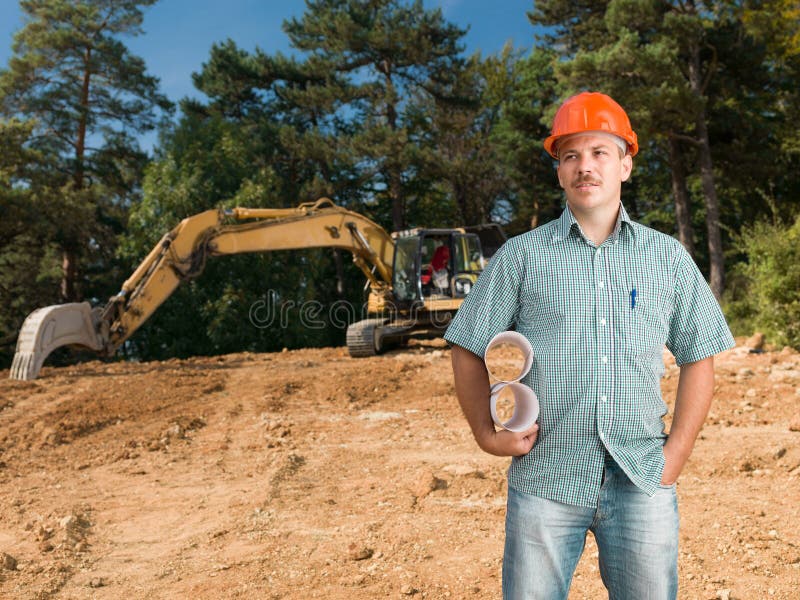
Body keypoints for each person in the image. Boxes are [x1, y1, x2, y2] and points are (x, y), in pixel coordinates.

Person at [444, 91, 735, 599]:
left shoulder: (665, 258)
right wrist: (486, 434)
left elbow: (700, 355)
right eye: (571, 155)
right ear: (558, 171)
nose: (585, 166)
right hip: (547, 477)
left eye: (600, 152)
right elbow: (467, 343)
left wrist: (677, 455)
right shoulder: (522, 257)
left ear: (625, 163)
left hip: (642, 477)